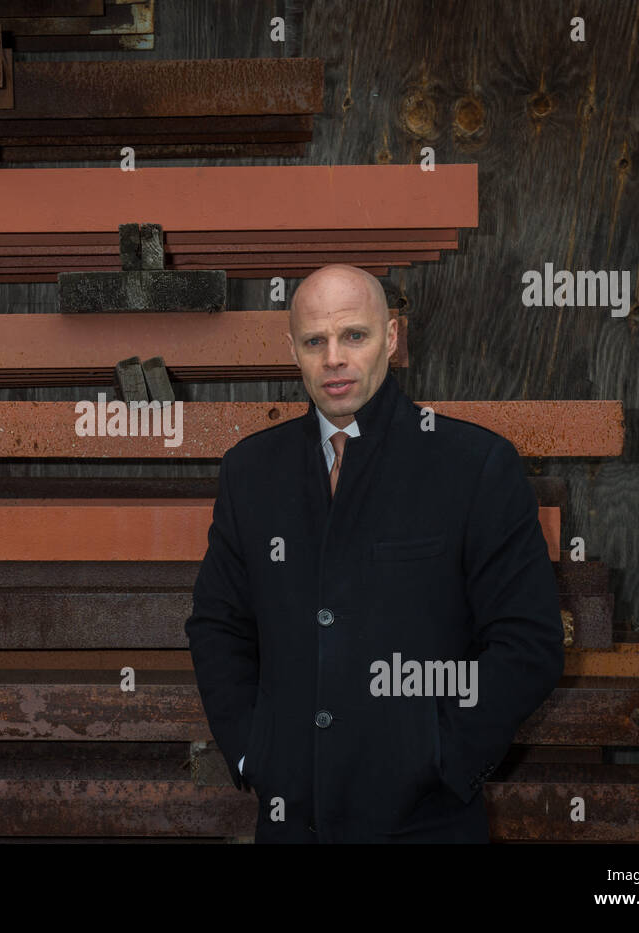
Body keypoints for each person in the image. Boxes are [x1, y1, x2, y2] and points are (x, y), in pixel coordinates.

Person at [185, 264, 565, 843]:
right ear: (294, 351)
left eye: (354, 336)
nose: (334, 357)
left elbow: (528, 643)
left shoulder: (474, 465)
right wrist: (250, 752)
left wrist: (443, 758)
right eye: (316, 341)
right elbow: (217, 625)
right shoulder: (250, 471)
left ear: (392, 337)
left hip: (426, 823)